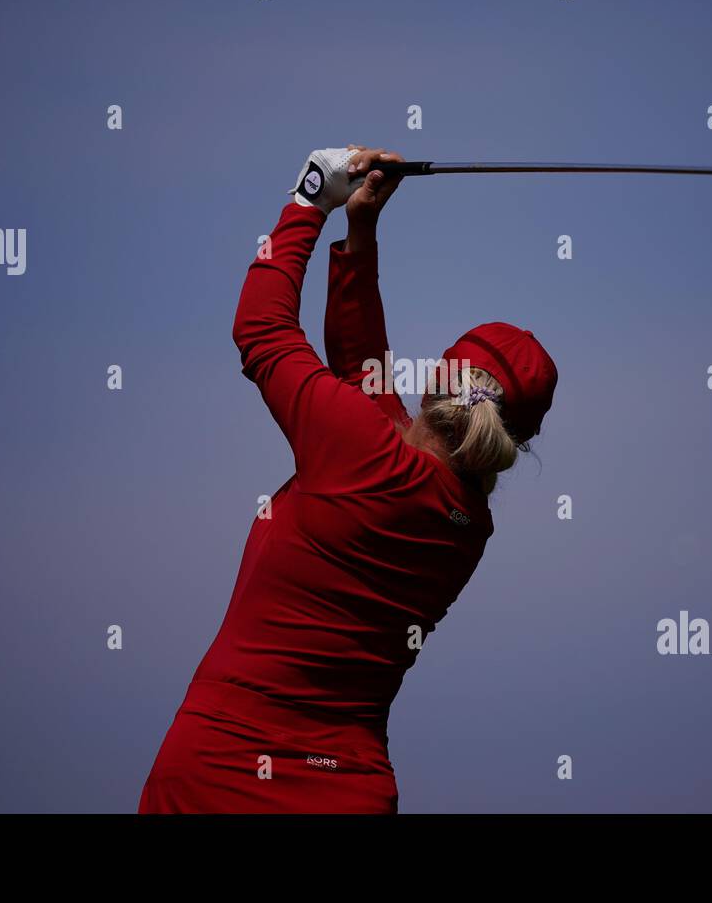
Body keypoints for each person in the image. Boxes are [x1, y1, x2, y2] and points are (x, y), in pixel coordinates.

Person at [138, 145, 559, 813]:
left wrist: (308, 199)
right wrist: (360, 231)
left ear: (435, 382)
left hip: (216, 772)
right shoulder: (468, 525)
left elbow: (262, 331)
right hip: (348, 790)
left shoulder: (361, 452)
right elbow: (365, 379)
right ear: (517, 439)